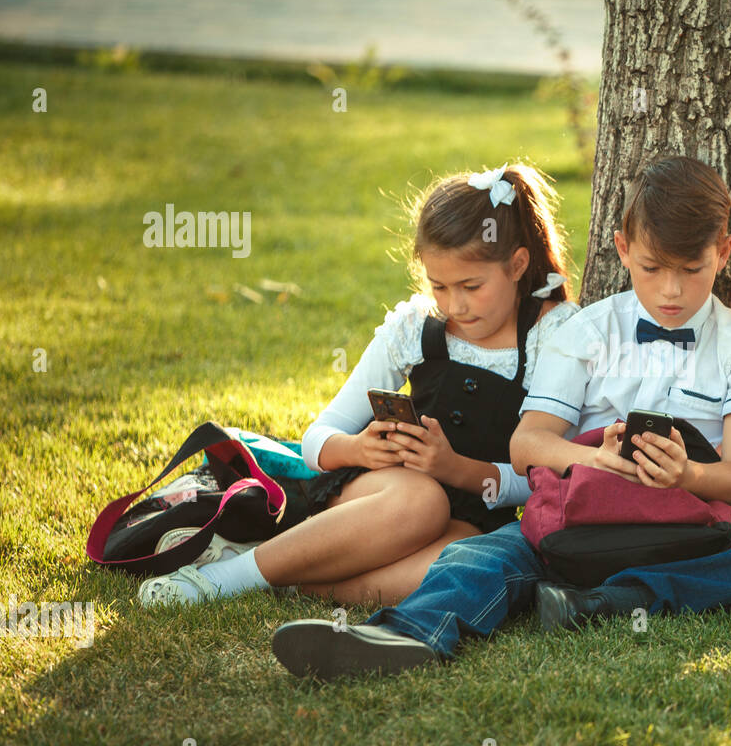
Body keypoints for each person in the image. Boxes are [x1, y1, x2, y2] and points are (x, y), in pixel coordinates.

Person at [269, 155, 731, 678]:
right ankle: (400, 636)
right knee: (479, 554)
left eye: (692, 270)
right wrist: (592, 456)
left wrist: (688, 475)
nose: (671, 291)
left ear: (722, 253)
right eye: (651, 269)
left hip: (691, 534)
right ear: (622, 249)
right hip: (574, 531)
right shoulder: (585, 329)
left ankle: (613, 601)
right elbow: (528, 444)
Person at [138, 163, 579, 607]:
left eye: (471, 285)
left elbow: (549, 478)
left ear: (518, 264)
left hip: (472, 515)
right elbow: (317, 439)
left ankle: (283, 573)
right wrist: (359, 449)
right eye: (439, 286)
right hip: (385, 494)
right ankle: (217, 580)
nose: (454, 305)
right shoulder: (414, 327)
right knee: (423, 501)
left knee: (460, 558)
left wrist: (455, 468)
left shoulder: (552, 336)